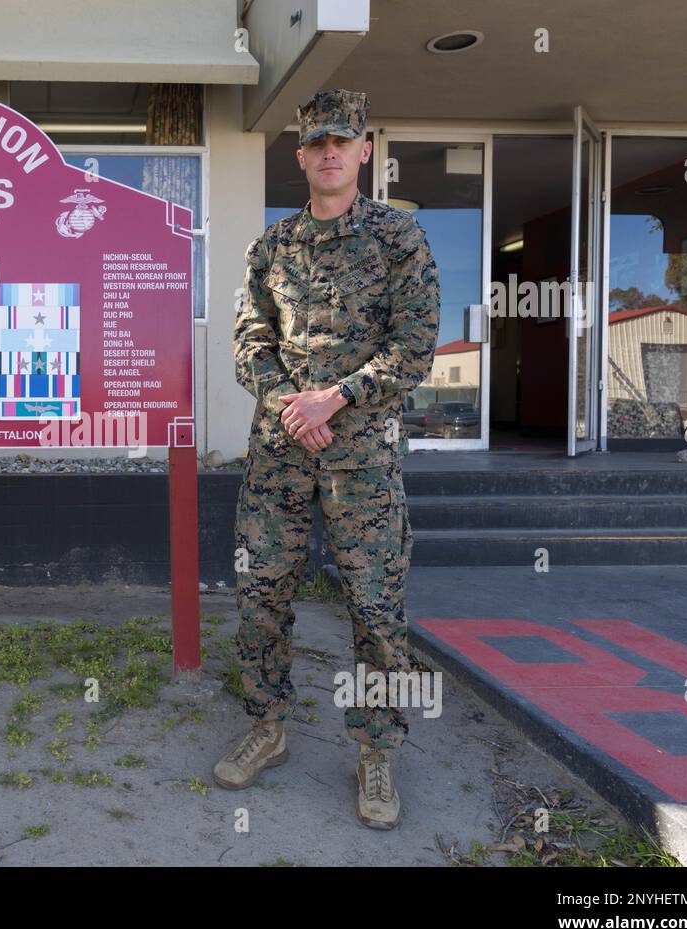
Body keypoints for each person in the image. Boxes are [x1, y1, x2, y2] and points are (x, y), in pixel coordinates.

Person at [213, 89, 441, 830]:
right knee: (262, 595)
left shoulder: (399, 240)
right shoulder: (271, 247)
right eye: (316, 143)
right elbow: (251, 341)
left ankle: (376, 751)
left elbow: (414, 350)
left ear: (365, 150)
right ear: (301, 155)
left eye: (342, 141)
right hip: (281, 452)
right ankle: (268, 725)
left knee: (376, 609)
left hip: (363, 461)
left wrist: (334, 400)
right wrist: (292, 405)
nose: (329, 153)